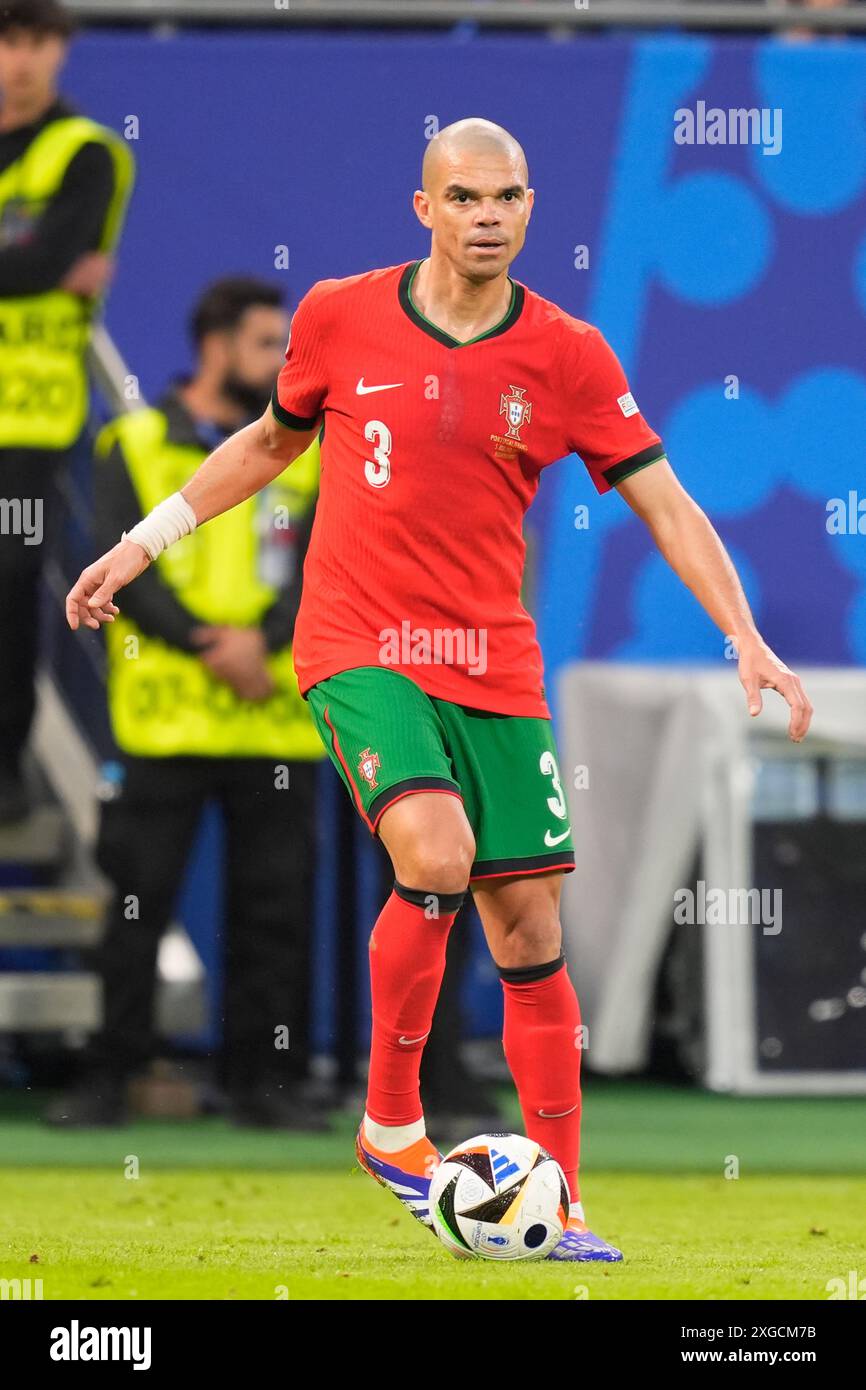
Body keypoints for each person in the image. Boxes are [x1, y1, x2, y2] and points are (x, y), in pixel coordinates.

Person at [64, 119, 813, 1259]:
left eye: (507, 197)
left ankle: (558, 1197)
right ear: (424, 208)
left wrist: (742, 631)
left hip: (492, 661)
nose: (487, 217)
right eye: (463, 197)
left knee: (526, 929)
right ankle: (390, 1121)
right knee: (434, 855)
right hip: (359, 641)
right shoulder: (337, 315)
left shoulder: (566, 354)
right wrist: (142, 540)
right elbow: (269, 444)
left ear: (528, 206)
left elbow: (660, 498)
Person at [48, 277, 326, 1131]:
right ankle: (110, 1078)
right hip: (166, 719)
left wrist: (265, 642)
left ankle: (264, 1087)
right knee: (137, 907)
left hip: (274, 719)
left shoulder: (311, 450)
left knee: (275, 915)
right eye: (263, 344)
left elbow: (328, 558)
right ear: (214, 347)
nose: (281, 362)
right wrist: (218, 646)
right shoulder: (133, 440)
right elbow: (124, 558)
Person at [0, 0, 134, 822]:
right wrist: (35, 263)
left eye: (41, 41)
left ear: (63, 49)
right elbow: (40, 264)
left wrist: (40, 264)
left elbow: (45, 262)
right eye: (10, 38)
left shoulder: (86, 152)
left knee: (13, 578)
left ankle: (7, 763)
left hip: (28, 419)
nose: (23, 58)